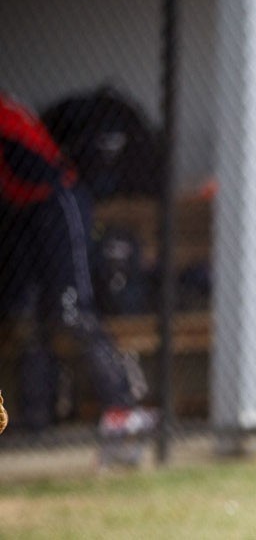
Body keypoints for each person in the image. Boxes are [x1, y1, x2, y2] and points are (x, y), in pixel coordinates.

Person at [0, 91, 155, 465]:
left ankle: (123, 410)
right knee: (28, 315)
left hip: (57, 203)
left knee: (72, 312)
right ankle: (35, 419)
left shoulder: (5, 115)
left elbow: (43, 170)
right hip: (26, 214)